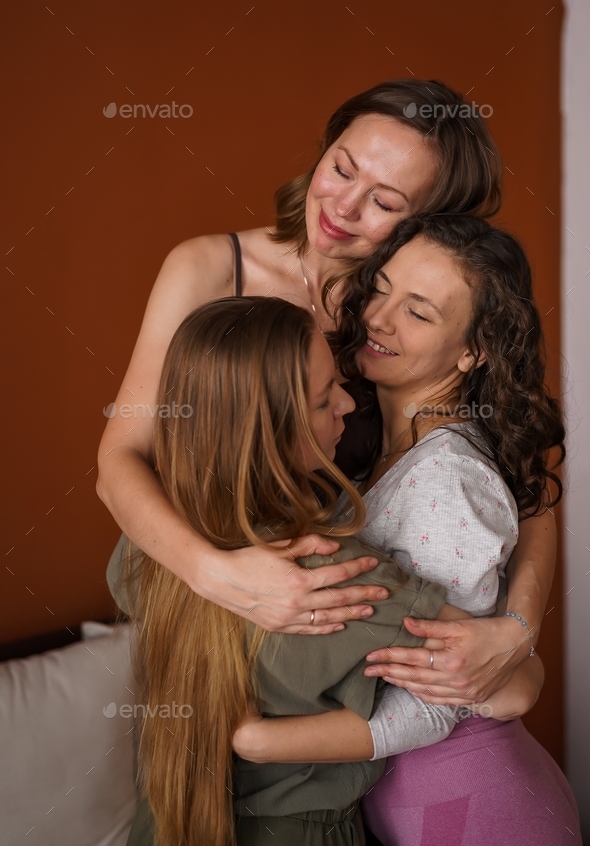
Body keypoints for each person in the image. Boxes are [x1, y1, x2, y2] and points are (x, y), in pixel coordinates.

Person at [98, 79, 554, 705]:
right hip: (209, 615)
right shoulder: (209, 269)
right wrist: (219, 576)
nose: (343, 207)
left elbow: (517, 475)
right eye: (341, 168)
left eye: (385, 202)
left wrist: (515, 634)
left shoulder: (404, 318)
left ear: (423, 224)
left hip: (341, 640)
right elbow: (117, 459)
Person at [111, 295, 543, 846]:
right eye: (322, 401)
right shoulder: (338, 580)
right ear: (266, 434)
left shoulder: (142, 546)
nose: (346, 402)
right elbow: (507, 690)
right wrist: (526, 650)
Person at [232, 215, 582, 845]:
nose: (378, 317)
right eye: (382, 288)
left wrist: (256, 740)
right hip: (420, 803)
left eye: (418, 312)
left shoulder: (448, 478)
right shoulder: (376, 448)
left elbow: (440, 700)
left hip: (475, 807)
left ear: (474, 350)